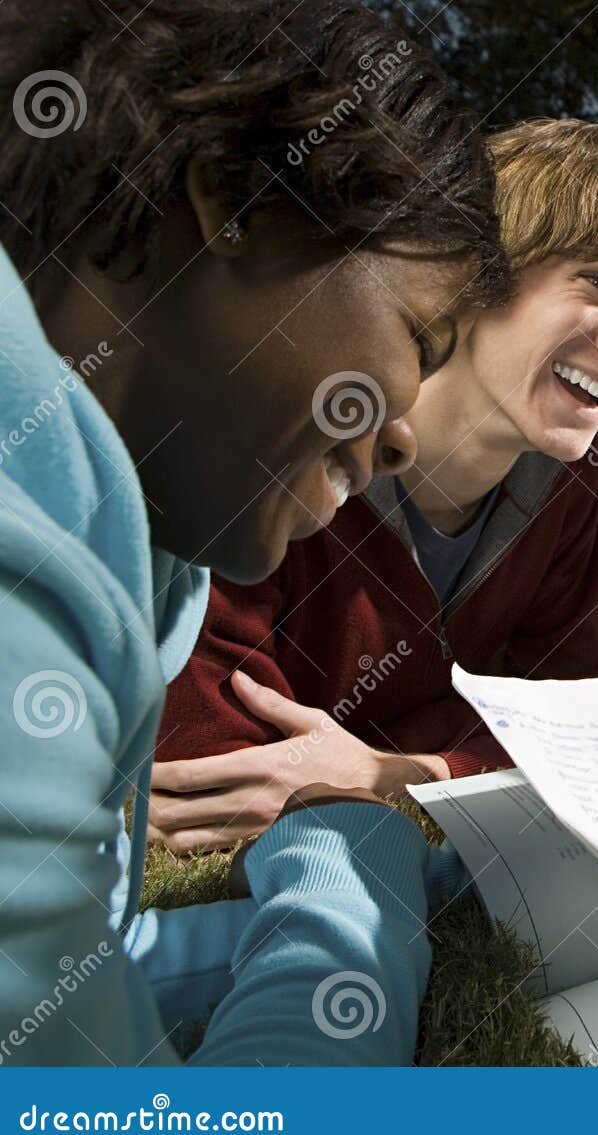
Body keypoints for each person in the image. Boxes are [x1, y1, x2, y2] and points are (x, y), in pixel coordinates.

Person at [0, 0, 507, 1063]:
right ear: (239, 202)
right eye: (421, 333)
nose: (406, 432)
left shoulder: (118, 522)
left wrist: (357, 844)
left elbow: (93, 958)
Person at [152, 119, 598, 854]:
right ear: (478, 270)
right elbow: (208, 759)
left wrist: (398, 773)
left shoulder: (571, 482)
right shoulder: (295, 433)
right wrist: (463, 761)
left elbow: (573, 727)